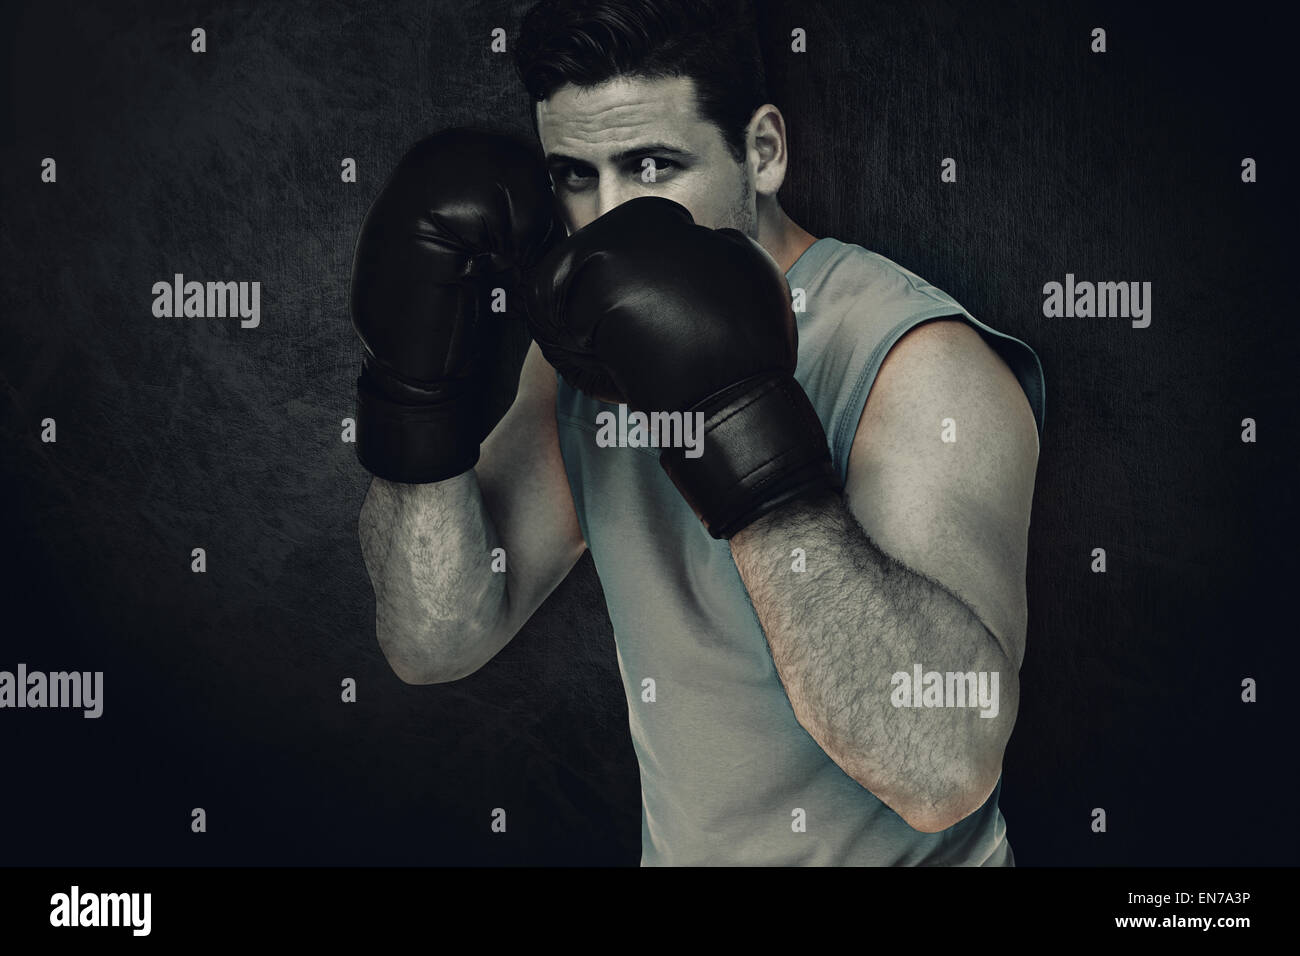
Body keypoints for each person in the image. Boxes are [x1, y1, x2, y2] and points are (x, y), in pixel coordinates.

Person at [351, 0, 1045, 865]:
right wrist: (413, 399)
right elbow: (433, 642)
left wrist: (745, 434)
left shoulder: (920, 363)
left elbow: (944, 770)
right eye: (574, 175)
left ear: (762, 152)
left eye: (650, 165)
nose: (606, 221)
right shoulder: (578, 362)